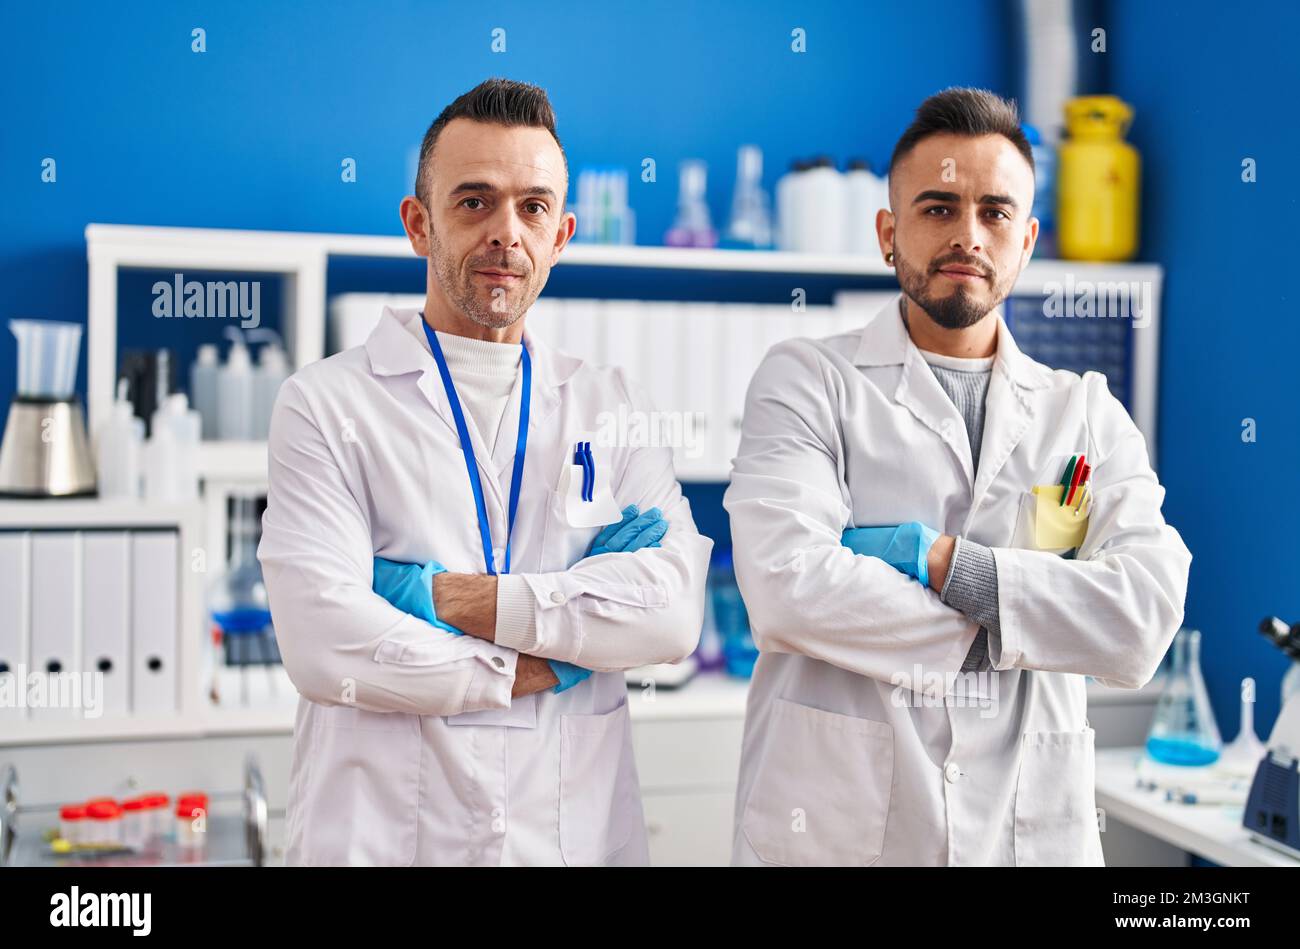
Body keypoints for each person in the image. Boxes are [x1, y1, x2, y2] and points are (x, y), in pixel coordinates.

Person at [726, 87, 1190, 866]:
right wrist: (1033, 619)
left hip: (1028, 830)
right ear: (888, 233)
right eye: (938, 208)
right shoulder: (807, 380)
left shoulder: (1085, 413)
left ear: (1027, 239)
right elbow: (786, 588)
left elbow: (1143, 620)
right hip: (840, 831)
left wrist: (948, 565)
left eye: (995, 212)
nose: (967, 235)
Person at [257, 78, 712, 866]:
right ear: (418, 223)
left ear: (563, 232)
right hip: (385, 841)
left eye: (533, 206)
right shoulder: (325, 404)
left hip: (569, 839)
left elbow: (670, 618)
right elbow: (324, 643)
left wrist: (436, 599)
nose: (508, 232)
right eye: (475, 202)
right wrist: (566, 651)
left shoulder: (610, 404)